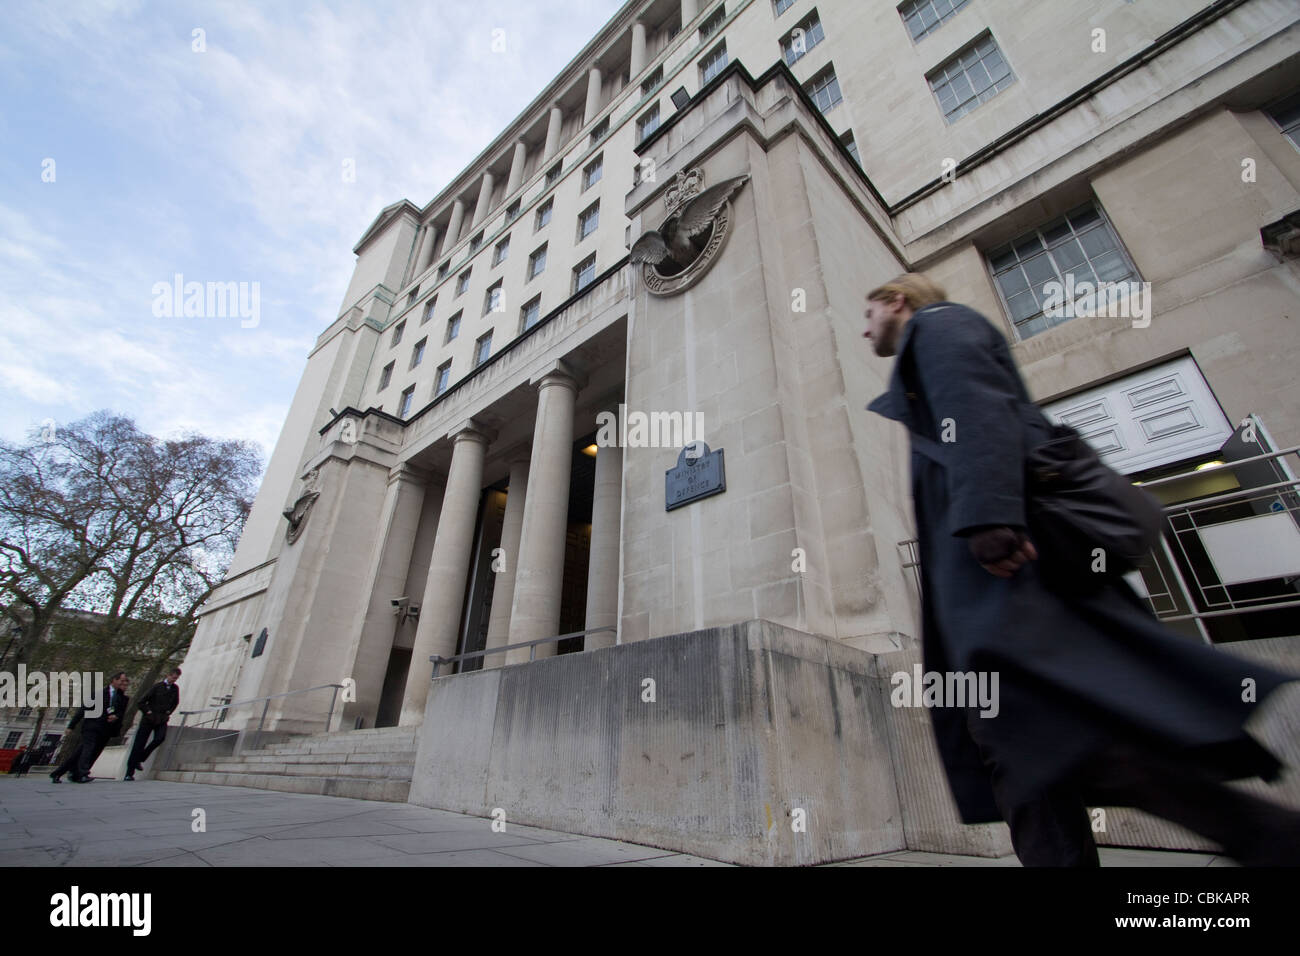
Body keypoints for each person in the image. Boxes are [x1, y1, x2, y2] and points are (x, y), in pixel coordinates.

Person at [863, 272, 1300, 866]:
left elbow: (977, 409)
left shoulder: (941, 328)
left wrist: (990, 519)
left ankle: (1268, 837)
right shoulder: (926, 354)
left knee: (1059, 744)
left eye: (869, 313)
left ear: (897, 301)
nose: (865, 328)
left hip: (1007, 583)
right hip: (984, 596)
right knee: (1019, 757)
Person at [50, 671, 129, 784]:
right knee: (88, 749)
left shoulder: (123, 698)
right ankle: (83, 774)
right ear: (114, 680)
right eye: (121, 681)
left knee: (87, 752)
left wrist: (115, 716)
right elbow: (83, 709)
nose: (123, 685)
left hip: (106, 729)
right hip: (92, 726)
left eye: (125, 683)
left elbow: (121, 713)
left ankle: (59, 773)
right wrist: (71, 726)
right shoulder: (98, 693)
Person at [125, 667, 181, 781]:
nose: (174, 680)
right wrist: (148, 712)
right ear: (168, 675)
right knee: (138, 745)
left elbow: (175, 702)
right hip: (149, 719)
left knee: (160, 738)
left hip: (162, 719)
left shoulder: (175, 689)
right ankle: (129, 773)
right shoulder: (157, 686)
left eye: (176, 678)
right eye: (173, 677)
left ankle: (141, 757)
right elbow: (141, 702)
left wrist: (169, 712)